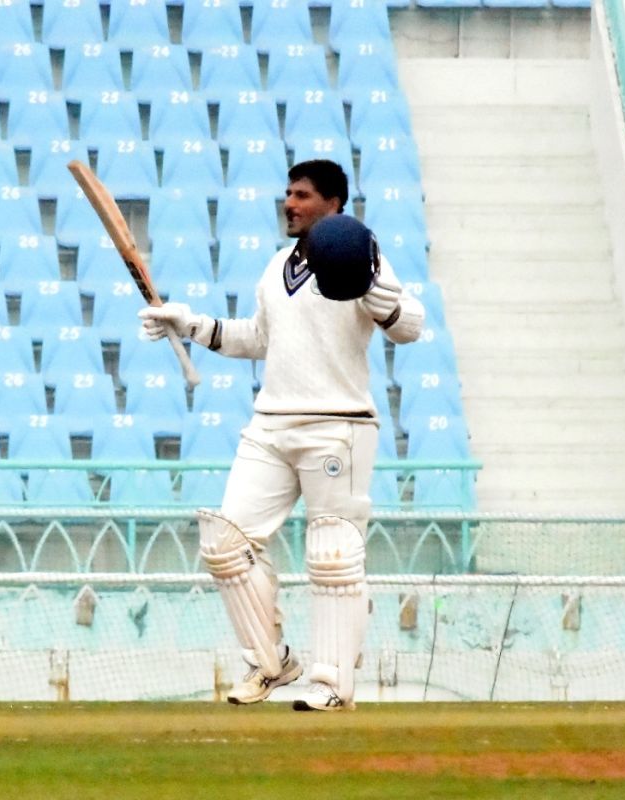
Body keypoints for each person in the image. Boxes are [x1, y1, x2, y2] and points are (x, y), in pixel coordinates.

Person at [138, 160, 424, 711]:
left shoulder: (359, 255)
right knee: (227, 543)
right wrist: (189, 324)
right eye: (288, 193)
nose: (290, 203)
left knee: (334, 553)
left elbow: (410, 325)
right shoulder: (277, 266)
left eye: (303, 195)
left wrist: (373, 292)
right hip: (271, 422)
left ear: (334, 204)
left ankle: (332, 683)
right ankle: (270, 662)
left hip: (337, 423)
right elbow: (259, 338)